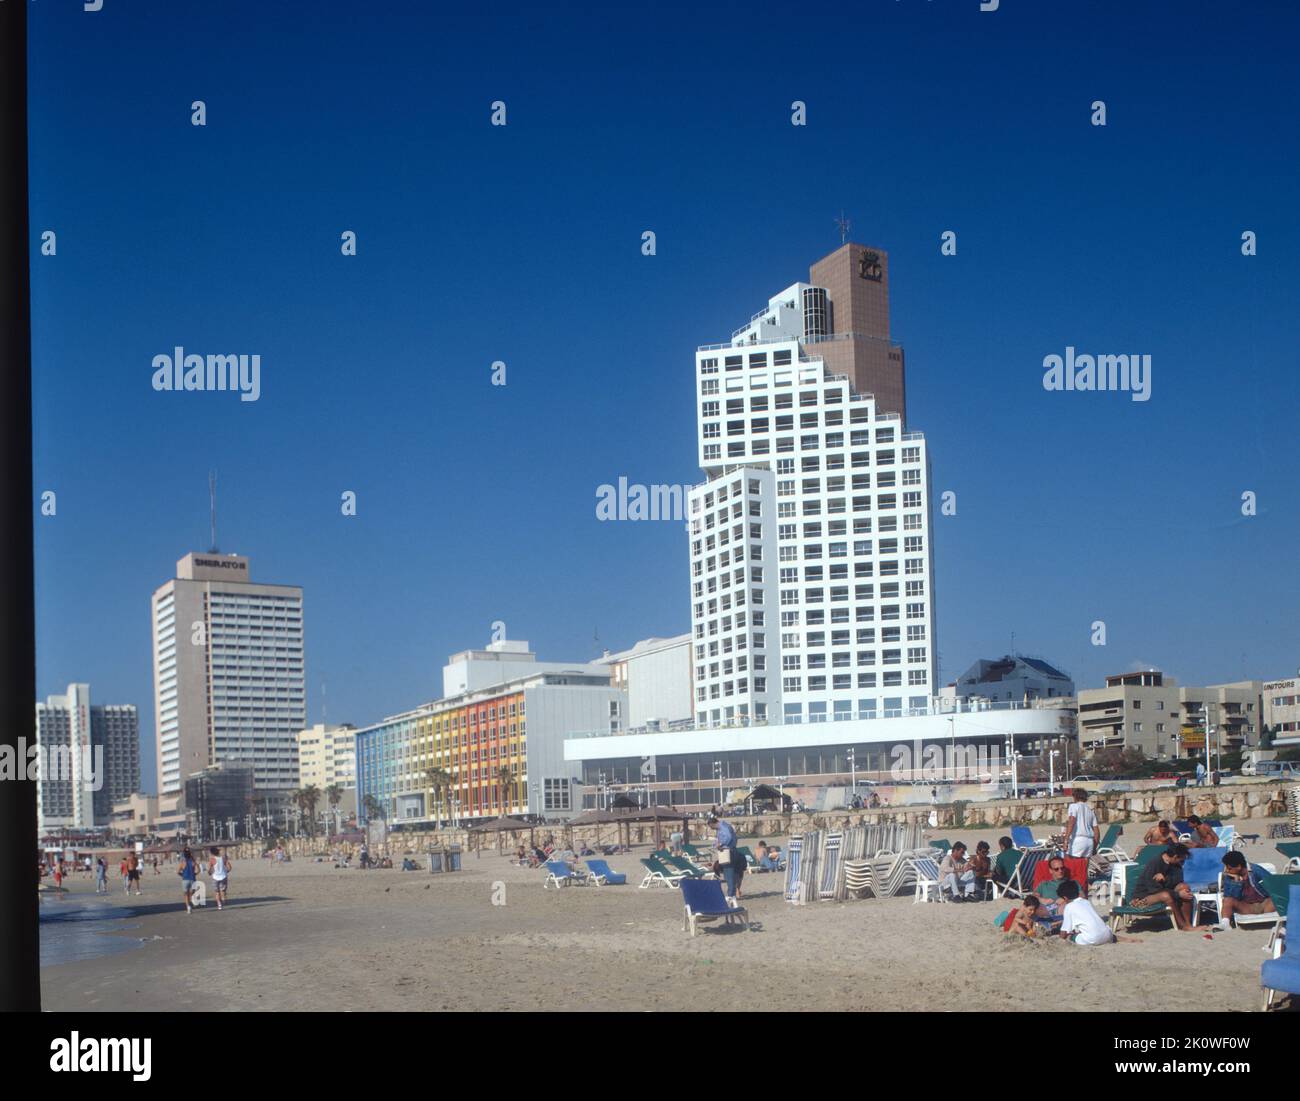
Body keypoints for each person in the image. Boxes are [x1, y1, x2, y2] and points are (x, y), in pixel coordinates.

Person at [1131, 843, 1195, 930]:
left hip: (1162, 890)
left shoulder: (1175, 864)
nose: (1182, 863)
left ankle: (1188, 924)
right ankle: (1183, 926)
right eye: (1181, 860)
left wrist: (1165, 879)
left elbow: (1178, 879)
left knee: (1184, 887)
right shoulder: (1154, 863)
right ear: (1175, 857)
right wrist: (1178, 895)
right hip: (1143, 897)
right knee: (1166, 895)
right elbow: (1153, 889)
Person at [1057, 878, 1140, 943]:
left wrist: (1061, 939)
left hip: (1093, 939)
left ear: (1065, 898)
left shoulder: (1069, 907)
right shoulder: (1086, 902)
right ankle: (1124, 939)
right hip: (1107, 934)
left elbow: (1064, 931)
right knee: (1098, 931)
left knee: (1071, 937)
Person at [1220, 851, 1276, 927]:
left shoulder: (1256, 870)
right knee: (1227, 900)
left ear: (1239, 867)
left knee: (1274, 899)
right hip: (1247, 906)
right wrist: (1236, 882)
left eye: (1229, 868)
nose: (1226, 870)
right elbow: (1230, 897)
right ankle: (1225, 924)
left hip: (1265, 903)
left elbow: (1273, 884)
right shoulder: (1230, 877)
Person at [710, 814, 746, 899]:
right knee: (734, 873)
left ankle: (731, 895)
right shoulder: (726, 826)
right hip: (733, 850)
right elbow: (734, 838)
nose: (711, 828)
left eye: (711, 827)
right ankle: (733, 892)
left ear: (712, 824)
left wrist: (720, 845)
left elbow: (728, 837)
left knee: (728, 873)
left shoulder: (723, 828)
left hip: (727, 851)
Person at [1064, 788, 1100, 860]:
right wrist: (1094, 846)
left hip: (1078, 840)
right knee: (1083, 867)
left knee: (1069, 863)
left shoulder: (1074, 806)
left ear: (1075, 797)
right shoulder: (1090, 811)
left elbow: (1072, 821)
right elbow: (1097, 832)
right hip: (1089, 842)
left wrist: (1066, 839)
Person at [178, 847, 199, 913]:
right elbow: (198, 870)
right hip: (193, 879)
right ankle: (191, 900)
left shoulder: (183, 862)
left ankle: (188, 907)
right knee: (191, 892)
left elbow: (178, 872)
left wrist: (182, 875)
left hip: (185, 880)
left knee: (185, 894)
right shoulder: (193, 862)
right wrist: (194, 874)